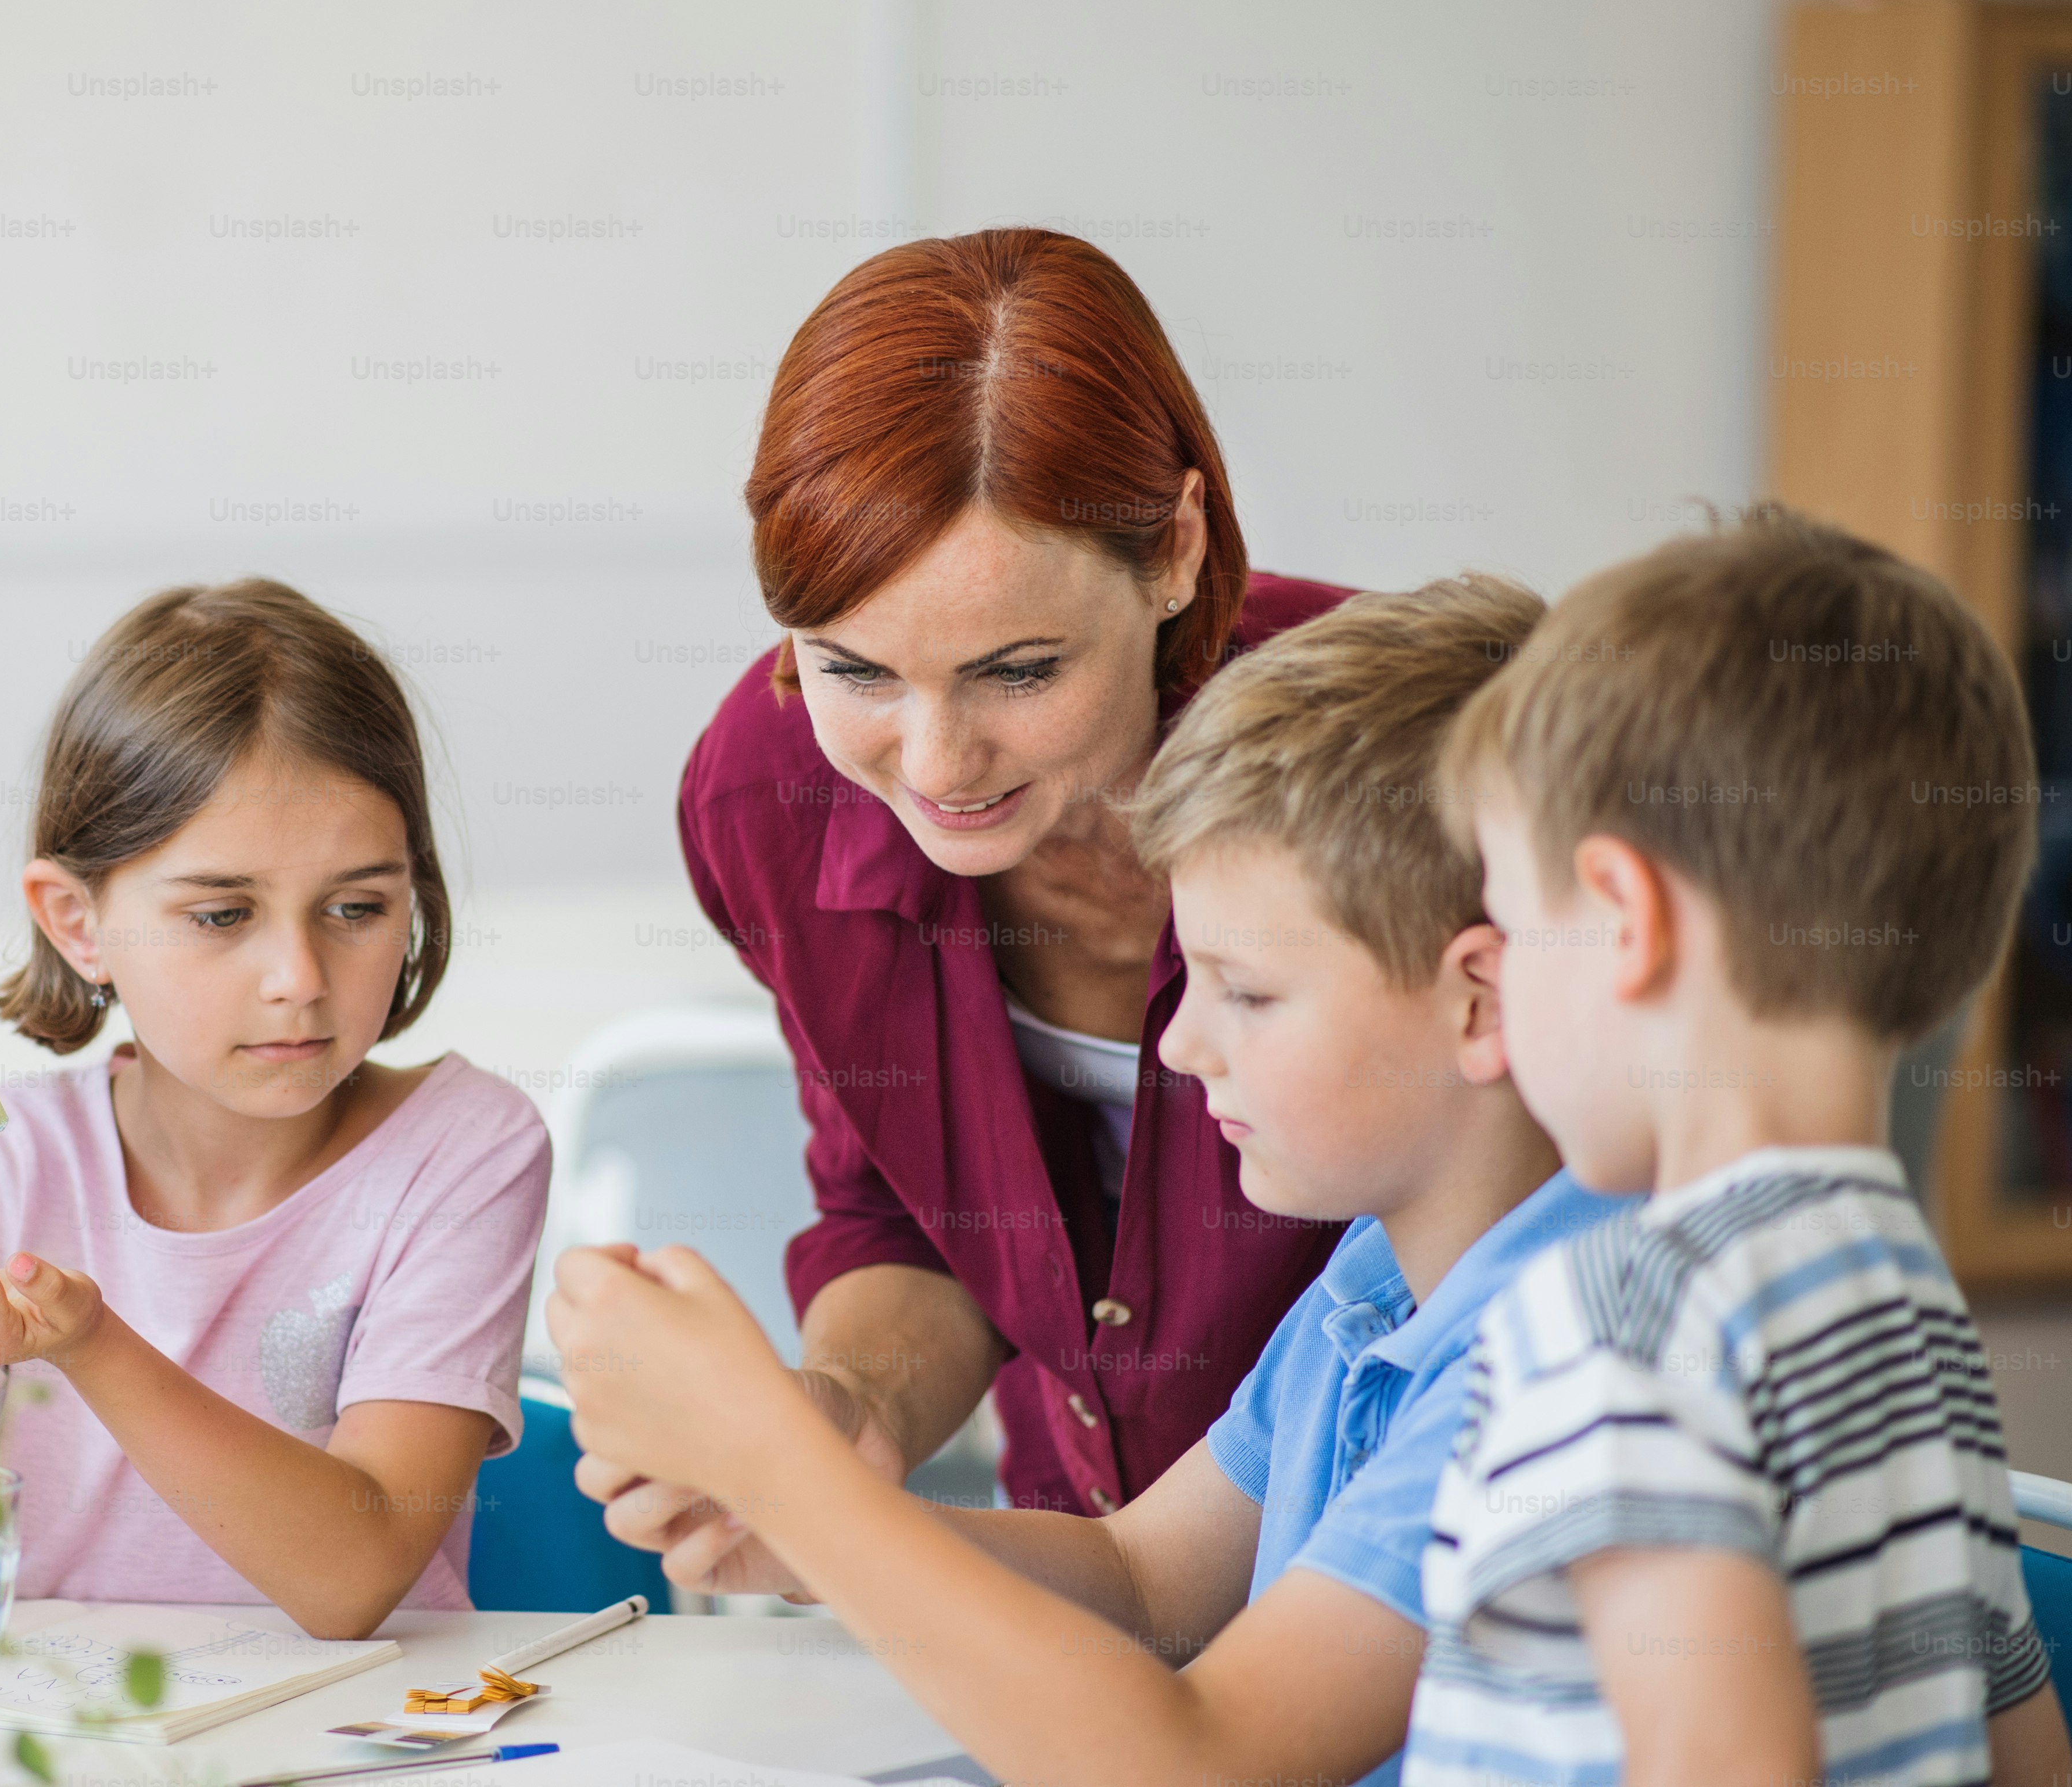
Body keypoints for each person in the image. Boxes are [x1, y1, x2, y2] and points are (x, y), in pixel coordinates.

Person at [557, 576, 1619, 1787]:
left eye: (1248, 993)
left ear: (1477, 999)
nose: (1175, 1046)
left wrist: (787, 1478)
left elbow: (1203, 1759)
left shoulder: (1564, 1348)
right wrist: (803, 1542)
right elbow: (1139, 1579)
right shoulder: (1372, 1282)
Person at [643, 228, 1347, 1558]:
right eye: (854, 669)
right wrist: (843, 1419)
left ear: (1177, 551)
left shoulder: (1424, 756)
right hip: (1080, 1598)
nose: (936, 764)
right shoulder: (765, 799)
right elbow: (903, 1218)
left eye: (1018, 670)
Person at [1404, 509, 2072, 1787]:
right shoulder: (1914, 1308)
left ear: (1621, 914)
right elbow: (2023, 1743)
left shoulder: (1615, 1315)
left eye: (1504, 917)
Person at [0, 579, 548, 1639]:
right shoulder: (3, 1161)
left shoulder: (467, 1147)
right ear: (77, 922)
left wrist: (90, 1342)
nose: (299, 976)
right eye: (223, 913)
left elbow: (352, 1574)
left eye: (358, 907)